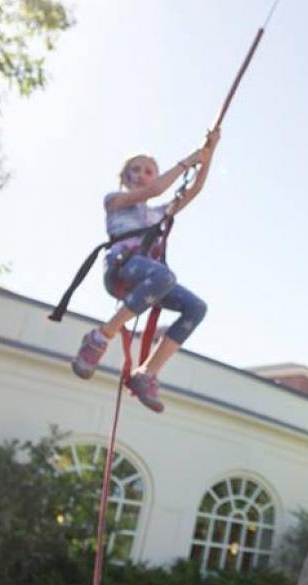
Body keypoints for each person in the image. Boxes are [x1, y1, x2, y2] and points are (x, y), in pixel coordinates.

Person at [71, 129, 220, 413]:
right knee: (165, 276)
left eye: (148, 170)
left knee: (196, 308)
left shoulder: (158, 213)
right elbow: (155, 191)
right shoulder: (114, 201)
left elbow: (195, 190)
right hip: (123, 267)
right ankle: (101, 336)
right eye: (135, 170)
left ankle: (147, 373)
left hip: (151, 279)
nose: (141, 174)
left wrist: (209, 153)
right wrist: (190, 159)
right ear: (124, 178)